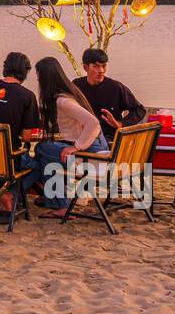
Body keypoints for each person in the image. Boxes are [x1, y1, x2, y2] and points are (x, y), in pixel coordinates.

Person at [32, 56, 115, 214]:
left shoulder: (63, 101)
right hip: (98, 148)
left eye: (38, 77)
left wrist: (76, 147)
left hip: (94, 156)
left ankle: (57, 202)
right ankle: (53, 198)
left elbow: (94, 123)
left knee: (42, 149)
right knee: (47, 154)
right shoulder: (71, 92)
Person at [0, 52, 41, 215]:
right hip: (9, 159)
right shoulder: (27, 96)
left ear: (5, 68)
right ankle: (11, 194)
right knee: (39, 167)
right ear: (25, 72)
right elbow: (26, 137)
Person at [73, 48, 147, 144]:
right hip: (81, 135)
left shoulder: (116, 87)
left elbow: (139, 110)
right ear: (85, 68)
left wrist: (120, 124)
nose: (101, 70)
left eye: (104, 66)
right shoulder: (76, 85)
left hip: (108, 138)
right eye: (96, 66)